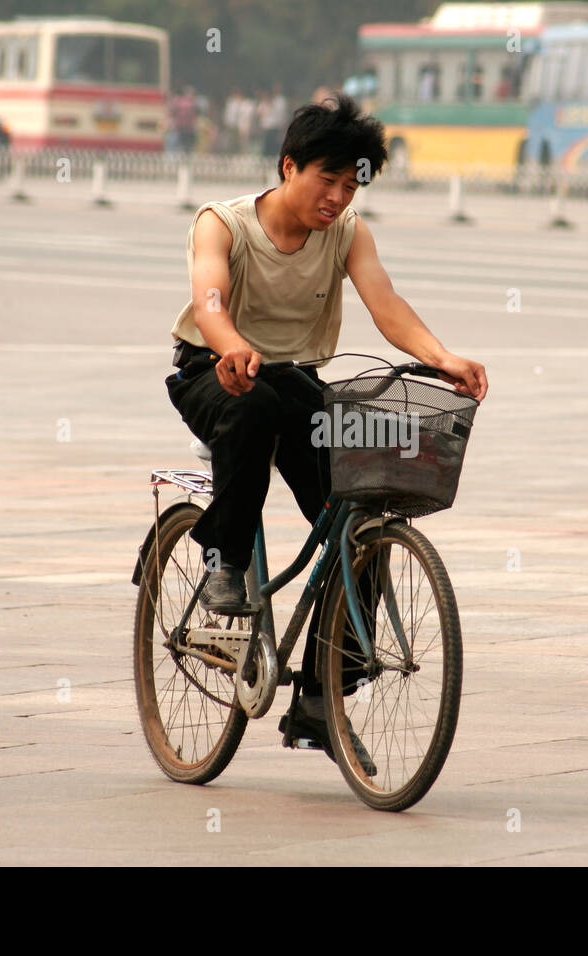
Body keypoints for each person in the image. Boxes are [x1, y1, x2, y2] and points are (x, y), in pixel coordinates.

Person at [164, 93, 488, 761]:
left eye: (351, 183)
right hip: (213, 371)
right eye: (327, 178)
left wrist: (442, 356)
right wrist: (229, 345)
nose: (338, 196)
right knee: (251, 408)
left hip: (296, 381)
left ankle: (319, 700)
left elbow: (386, 304)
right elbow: (210, 299)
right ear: (289, 167)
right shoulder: (221, 224)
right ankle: (224, 558)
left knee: (358, 514)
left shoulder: (348, 232)